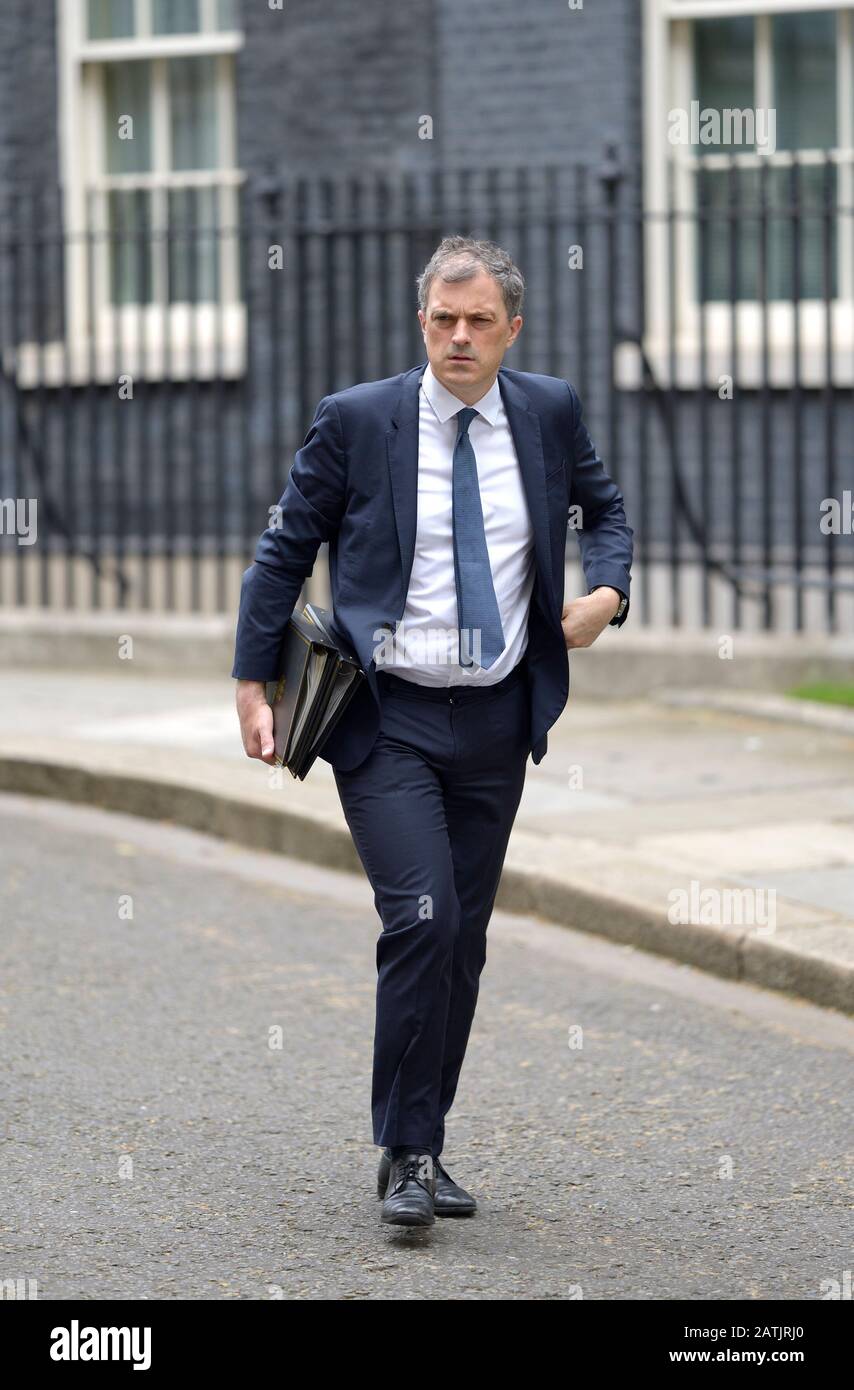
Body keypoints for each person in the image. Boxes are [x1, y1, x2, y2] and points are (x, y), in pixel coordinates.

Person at [233, 236, 633, 1227]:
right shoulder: (359, 420)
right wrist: (251, 679)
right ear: (422, 324)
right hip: (387, 719)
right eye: (442, 320)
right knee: (423, 918)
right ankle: (403, 1155)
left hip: (497, 719)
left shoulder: (547, 411)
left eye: (478, 322)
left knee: (462, 942)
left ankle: (424, 1139)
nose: (459, 336)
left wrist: (608, 592)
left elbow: (606, 508)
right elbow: (284, 550)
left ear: (512, 329)